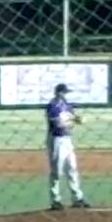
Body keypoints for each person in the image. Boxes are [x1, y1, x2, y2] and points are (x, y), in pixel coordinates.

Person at [46, 83, 90, 211]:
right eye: (63, 92)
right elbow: (58, 124)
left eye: (66, 92)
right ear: (57, 92)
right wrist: (73, 121)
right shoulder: (52, 106)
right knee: (57, 171)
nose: (65, 95)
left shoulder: (67, 106)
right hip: (56, 140)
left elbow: (73, 118)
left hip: (67, 140)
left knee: (72, 168)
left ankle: (78, 198)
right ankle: (56, 201)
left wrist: (78, 119)